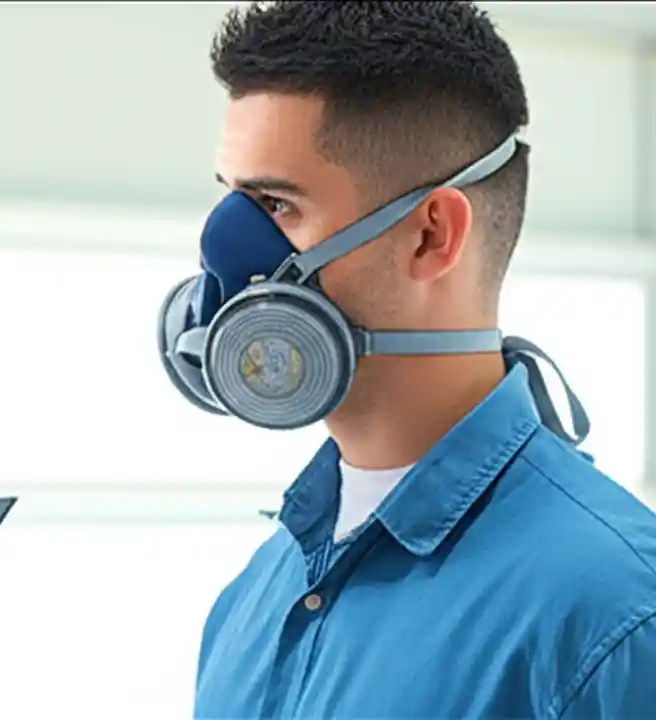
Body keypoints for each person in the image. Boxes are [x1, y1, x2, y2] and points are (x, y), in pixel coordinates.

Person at [158, 1, 656, 717]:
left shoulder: (613, 619)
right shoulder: (253, 598)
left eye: (274, 206)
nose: (226, 255)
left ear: (430, 236)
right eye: (232, 200)